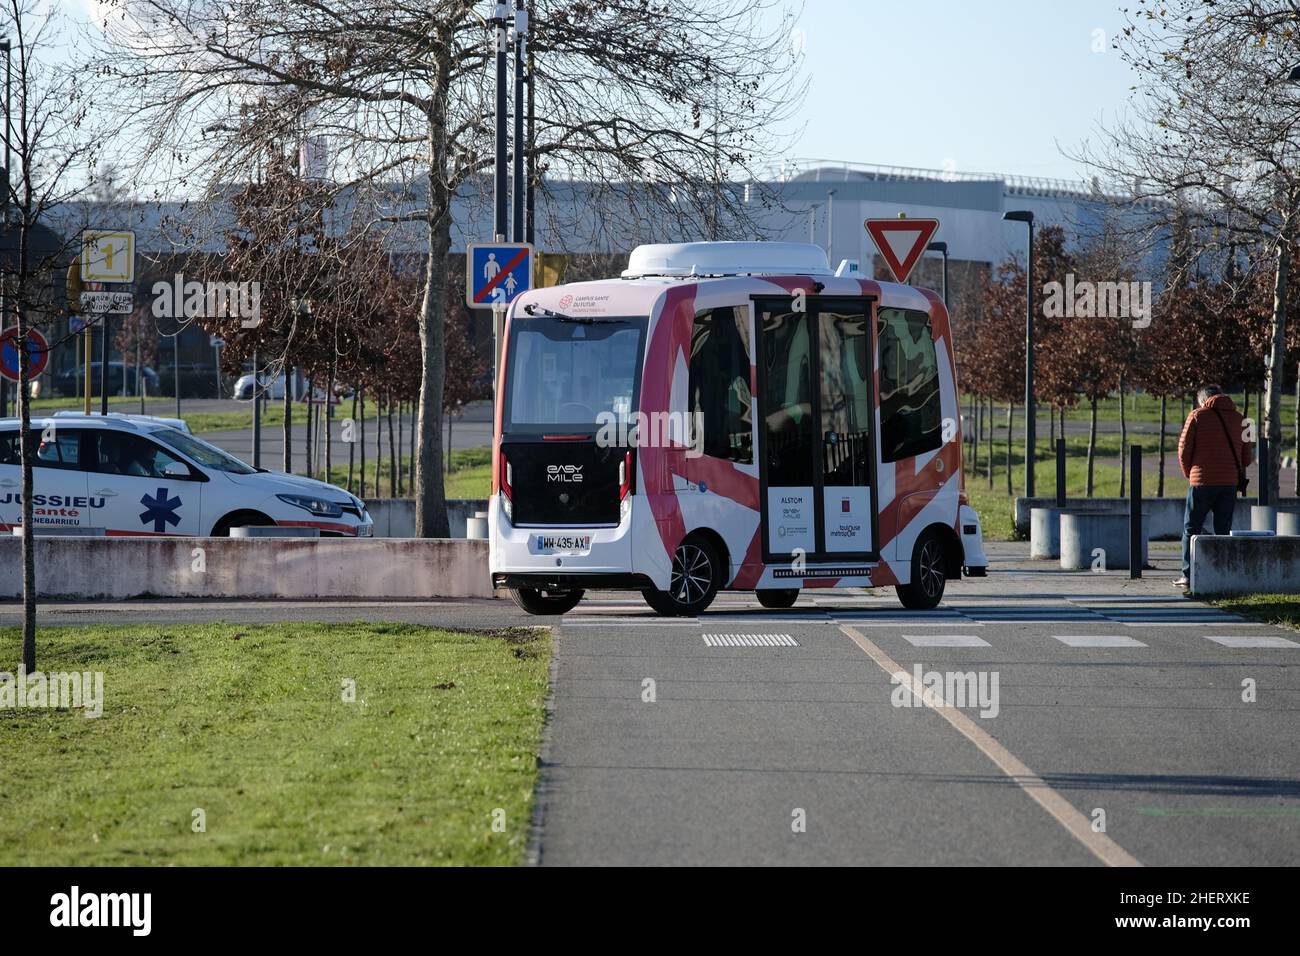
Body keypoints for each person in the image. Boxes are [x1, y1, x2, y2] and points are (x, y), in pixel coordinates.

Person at [1174, 385, 1253, 588]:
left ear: (1203, 400)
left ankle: (1188, 575)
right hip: (1229, 483)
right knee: (1223, 530)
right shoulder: (1242, 419)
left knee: (1191, 528)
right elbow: (1248, 456)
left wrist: (1190, 474)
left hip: (1201, 482)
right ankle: (1221, 574)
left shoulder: (1197, 416)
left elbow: (1183, 450)